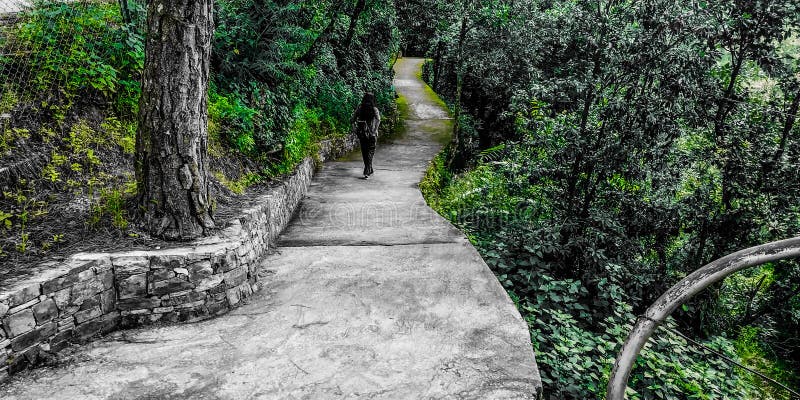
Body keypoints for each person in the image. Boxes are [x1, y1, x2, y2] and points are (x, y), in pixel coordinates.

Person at [351, 92, 381, 179]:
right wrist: (374, 130)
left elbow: (352, 120)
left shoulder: (360, 108)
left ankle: (369, 169)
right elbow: (378, 120)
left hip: (362, 134)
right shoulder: (374, 109)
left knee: (365, 152)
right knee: (370, 152)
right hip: (372, 135)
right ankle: (367, 171)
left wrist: (355, 129)